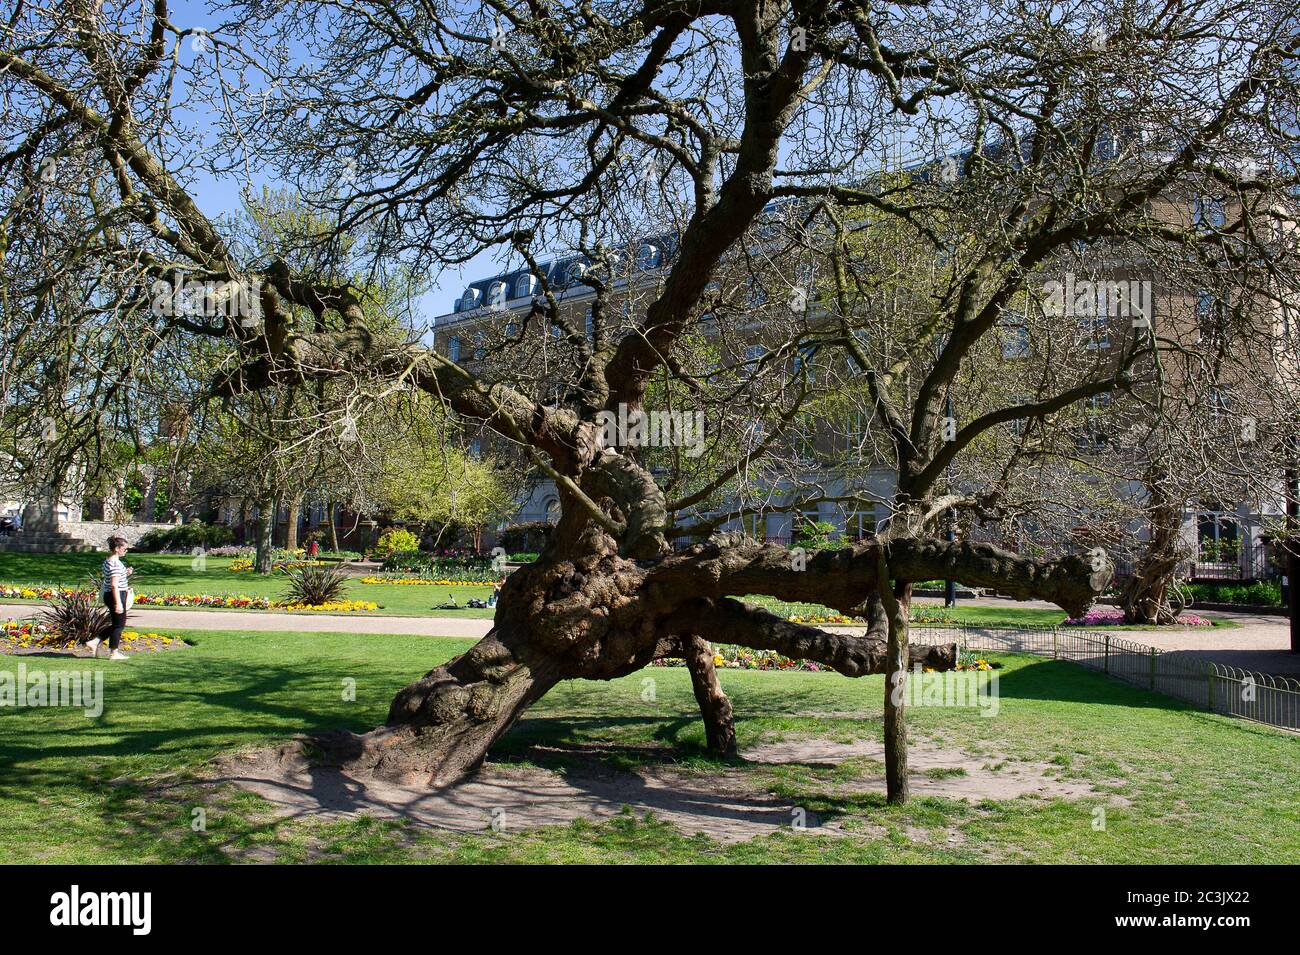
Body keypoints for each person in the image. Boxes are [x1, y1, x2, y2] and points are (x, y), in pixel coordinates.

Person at [87, 536, 133, 660]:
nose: (126, 551)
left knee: (116, 624)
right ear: (117, 548)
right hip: (116, 596)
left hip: (111, 595)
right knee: (119, 626)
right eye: (124, 548)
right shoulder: (115, 564)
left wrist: (125, 573)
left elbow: (114, 579)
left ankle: (96, 642)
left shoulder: (109, 561)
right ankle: (113, 653)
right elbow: (114, 584)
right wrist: (118, 603)